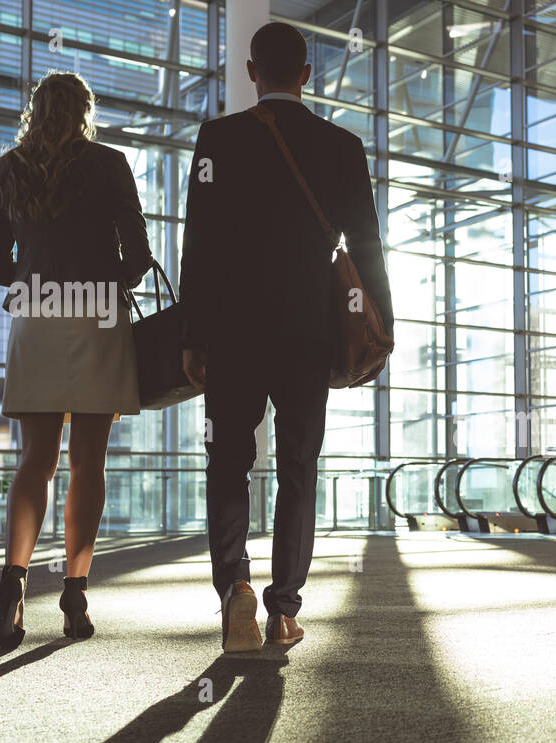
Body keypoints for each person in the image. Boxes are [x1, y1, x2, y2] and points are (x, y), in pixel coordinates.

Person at [179, 22, 394, 652]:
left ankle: (234, 592)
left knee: (228, 462)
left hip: (231, 331)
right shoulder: (342, 147)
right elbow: (368, 246)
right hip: (308, 332)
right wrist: (381, 319)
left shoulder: (218, 139)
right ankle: (283, 611)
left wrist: (193, 336)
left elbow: (199, 244)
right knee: (298, 464)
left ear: (252, 72)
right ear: (306, 74)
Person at [0, 71, 151, 648]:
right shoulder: (110, 163)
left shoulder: (9, 167)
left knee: (36, 461)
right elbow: (140, 256)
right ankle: (75, 591)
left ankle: (13, 582)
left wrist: (35, 276)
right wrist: (103, 281)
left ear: (35, 110)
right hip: (99, 315)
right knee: (88, 463)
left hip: (36, 315)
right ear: (85, 110)